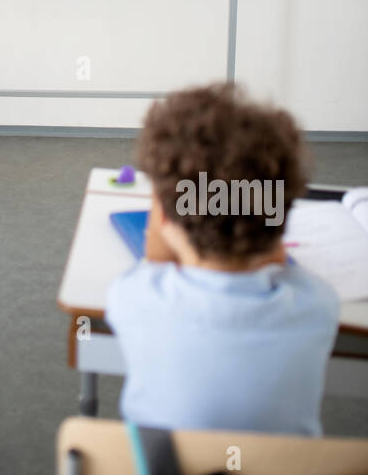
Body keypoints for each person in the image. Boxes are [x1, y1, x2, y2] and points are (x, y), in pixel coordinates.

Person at [105, 82, 340, 435]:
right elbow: (273, 252)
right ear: (278, 219)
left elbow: (156, 257)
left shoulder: (132, 297)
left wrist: (163, 206)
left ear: (164, 216)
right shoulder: (318, 304)